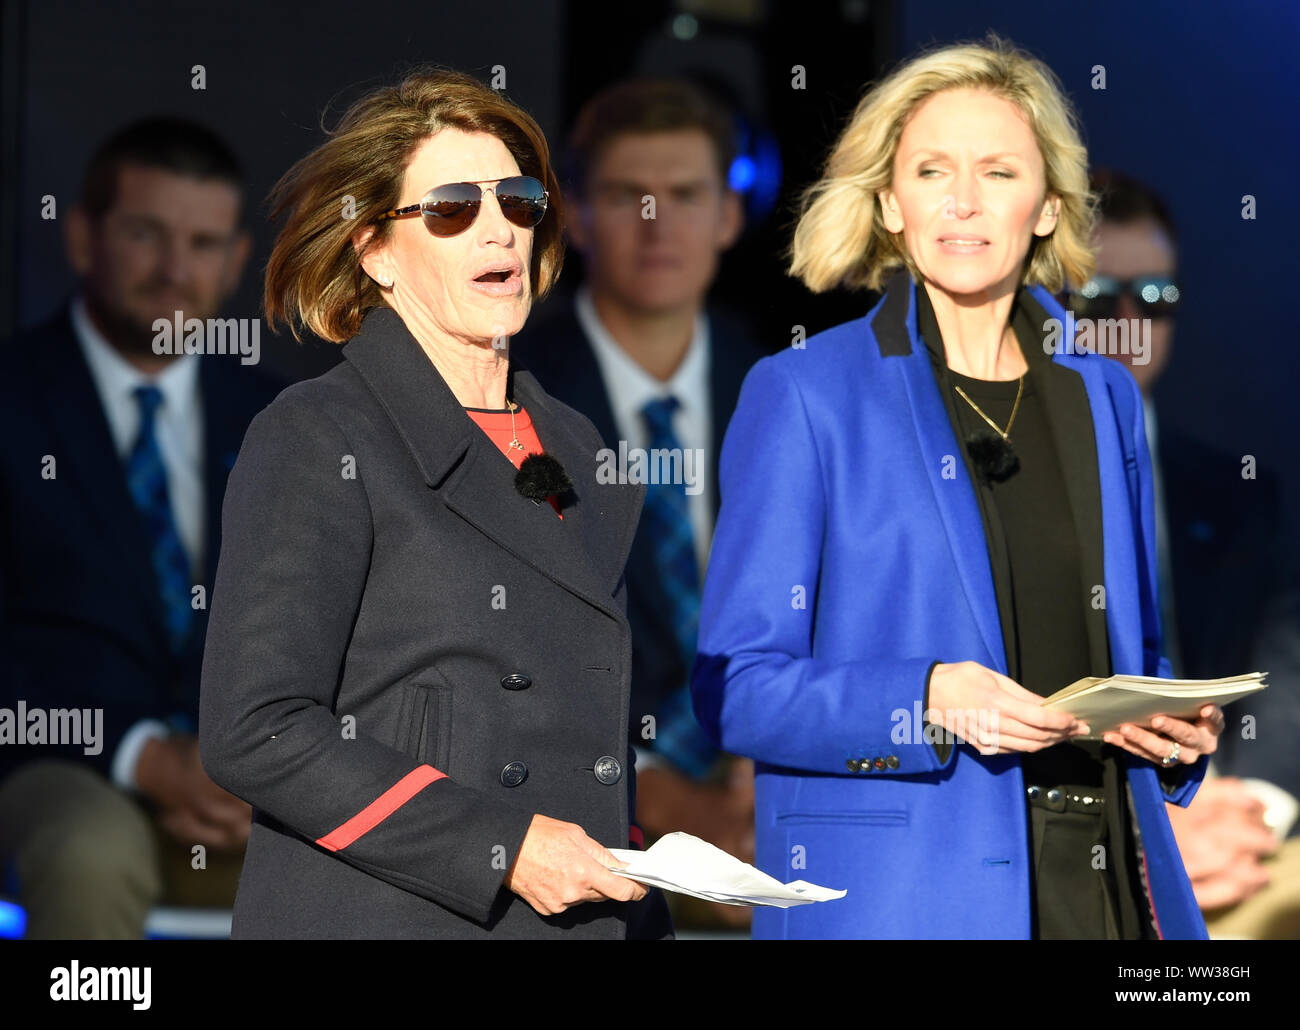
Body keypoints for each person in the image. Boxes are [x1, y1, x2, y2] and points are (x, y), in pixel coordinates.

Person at [691, 36, 1221, 939]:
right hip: (902, 899)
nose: (963, 202)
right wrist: (926, 698)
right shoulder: (805, 394)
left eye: (999, 172)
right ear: (891, 204)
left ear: (1048, 207)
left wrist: (1169, 726)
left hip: (1103, 891)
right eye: (933, 171)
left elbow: (1143, 649)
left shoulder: (1104, 395)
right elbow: (735, 688)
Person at [197, 68, 673, 939]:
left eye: (519, 201)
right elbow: (256, 729)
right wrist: (504, 847)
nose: (499, 228)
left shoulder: (578, 444)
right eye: (453, 207)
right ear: (375, 250)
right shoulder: (319, 434)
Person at [0, 117, 282, 938]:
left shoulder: (282, 421)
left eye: (202, 244)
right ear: (84, 237)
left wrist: (267, 768)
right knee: (89, 853)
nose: (174, 270)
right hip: (54, 766)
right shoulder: (11, 402)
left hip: (248, 775)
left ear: (234, 262)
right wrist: (142, 754)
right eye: (145, 235)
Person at [511, 78, 763, 927]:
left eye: (686, 195)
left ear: (728, 216)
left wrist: (774, 759)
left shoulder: (785, 388)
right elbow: (503, 649)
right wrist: (649, 785)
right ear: (575, 218)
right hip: (584, 794)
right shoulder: (509, 394)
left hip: (769, 778)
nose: (658, 225)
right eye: (628, 197)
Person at [1084, 169, 1300, 935]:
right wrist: (1144, 830)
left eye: (1154, 299)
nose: (1126, 321)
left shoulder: (1241, 493)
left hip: (1229, 834)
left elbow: (1289, 665)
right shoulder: (977, 482)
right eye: (1097, 294)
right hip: (1074, 841)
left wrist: (1251, 816)